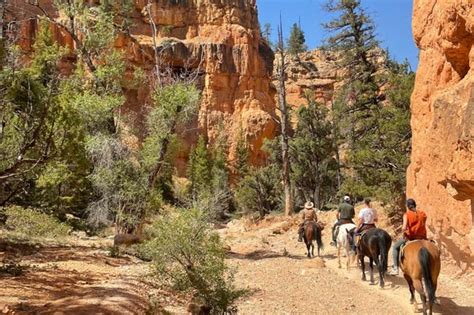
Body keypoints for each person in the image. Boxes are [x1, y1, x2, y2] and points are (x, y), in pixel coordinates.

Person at [388, 198, 427, 275]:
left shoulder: (407, 214)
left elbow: (404, 227)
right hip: (422, 237)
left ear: (408, 206)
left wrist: (404, 231)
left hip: (411, 237)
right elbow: (423, 222)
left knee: (395, 247)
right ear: (415, 205)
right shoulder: (423, 213)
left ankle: (396, 268)